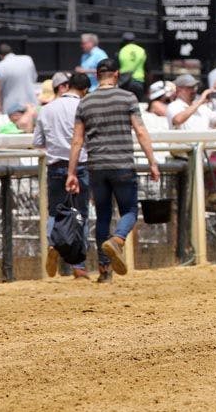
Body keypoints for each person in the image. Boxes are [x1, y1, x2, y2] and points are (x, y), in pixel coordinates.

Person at [66, 58, 161, 283]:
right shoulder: (128, 98)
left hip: (96, 166)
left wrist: (71, 172)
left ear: (97, 75)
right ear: (116, 74)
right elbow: (140, 131)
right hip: (122, 164)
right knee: (129, 211)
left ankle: (104, 271)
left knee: (103, 216)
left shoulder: (85, 102)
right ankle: (117, 240)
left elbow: (77, 141)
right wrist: (152, 162)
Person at [35, 71, 91, 279]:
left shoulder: (46, 110)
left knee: (55, 212)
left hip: (55, 166)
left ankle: (52, 244)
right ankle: (79, 266)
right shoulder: (83, 107)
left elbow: (38, 142)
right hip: (81, 166)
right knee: (80, 215)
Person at [0, 44, 39, 119]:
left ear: (1, 56)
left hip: (11, 107)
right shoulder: (28, 59)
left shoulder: (0, 66)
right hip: (30, 103)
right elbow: (34, 78)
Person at [117, 32, 147, 99]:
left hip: (124, 81)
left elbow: (117, 67)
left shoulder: (121, 51)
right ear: (134, 40)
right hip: (138, 81)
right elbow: (147, 68)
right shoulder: (141, 50)